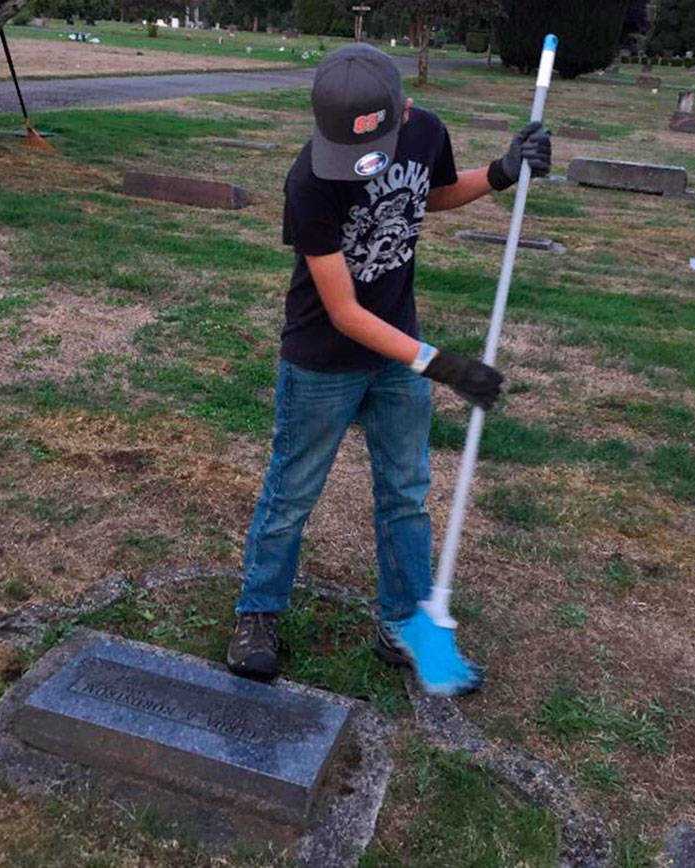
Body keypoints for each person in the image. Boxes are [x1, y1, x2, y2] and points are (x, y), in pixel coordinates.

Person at [226, 44, 551, 696]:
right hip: (323, 362)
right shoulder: (310, 180)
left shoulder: (426, 131)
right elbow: (342, 311)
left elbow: (429, 196)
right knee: (291, 495)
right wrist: (443, 364)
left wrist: (500, 173)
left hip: (400, 356)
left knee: (405, 494)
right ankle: (257, 616)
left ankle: (403, 624)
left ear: (401, 110)